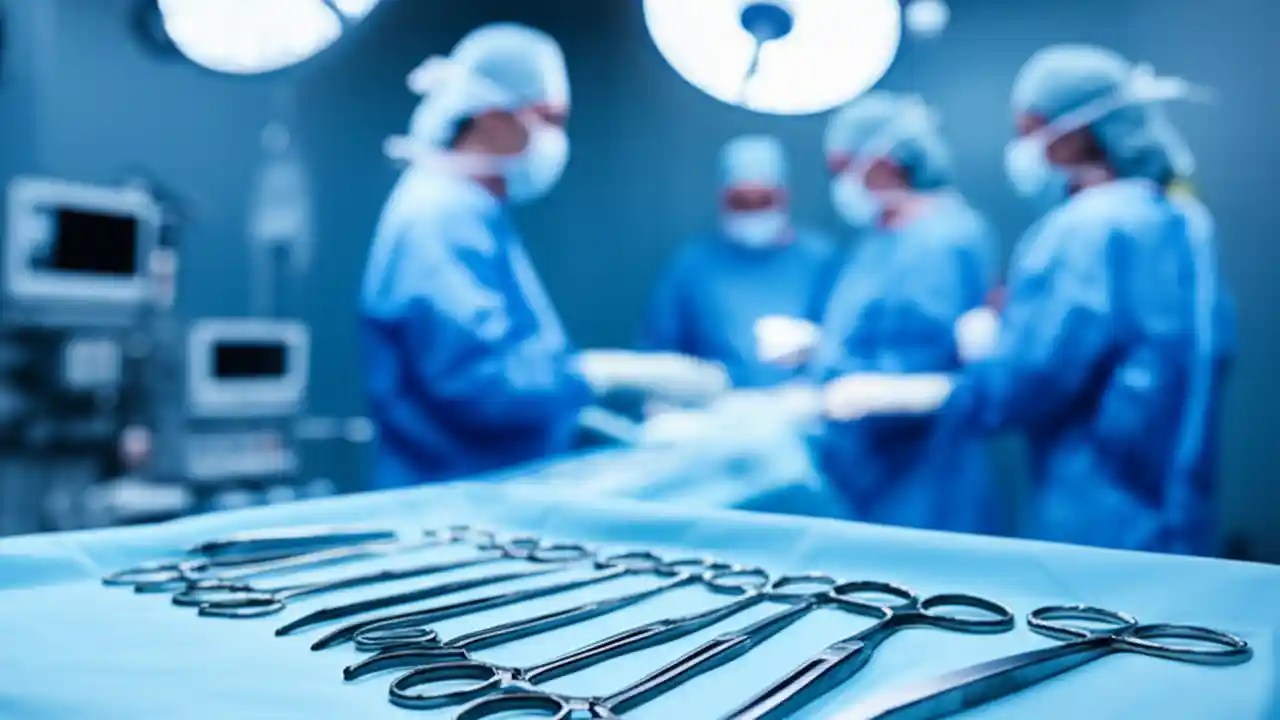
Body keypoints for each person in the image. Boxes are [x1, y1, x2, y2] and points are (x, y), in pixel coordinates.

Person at [827, 46, 1234, 554]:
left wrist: (976, 366)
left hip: (1098, 506)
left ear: (1078, 130)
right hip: (1172, 502)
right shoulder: (1180, 218)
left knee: (1097, 624)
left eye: (1031, 127)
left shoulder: (1086, 229)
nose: (1024, 145)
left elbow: (1031, 379)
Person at [361, 24, 726, 488]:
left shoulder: (470, 210)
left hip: (488, 485)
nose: (555, 138)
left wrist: (609, 430)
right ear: (493, 117)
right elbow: (482, 388)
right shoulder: (439, 216)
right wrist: (597, 375)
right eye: (548, 118)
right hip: (458, 495)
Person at [806, 92, 1000, 534]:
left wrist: (875, 387)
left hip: (923, 472)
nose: (840, 182)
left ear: (886, 161)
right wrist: (819, 348)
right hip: (865, 465)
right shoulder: (881, 236)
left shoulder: (943, 239)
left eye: (844, 167)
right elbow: (867, 333)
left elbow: (924, 357)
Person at [639, 135, 841, 388]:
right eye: (741, 202)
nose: (753, 210)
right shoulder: (694, 266)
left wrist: (814, 347)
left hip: (801, 411)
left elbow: (846, 346)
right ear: (721, 198)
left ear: (784, 196)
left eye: (763, 200)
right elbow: (660, 351)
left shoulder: (819, 261)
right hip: (714, 414)